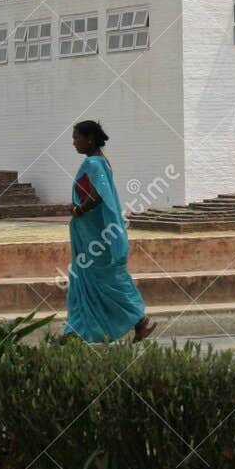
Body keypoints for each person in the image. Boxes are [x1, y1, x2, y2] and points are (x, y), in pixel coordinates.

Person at [65, 120, 155, 343]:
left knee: (106, 279)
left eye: (77, 137)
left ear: (90, 139)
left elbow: (98, 195)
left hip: (96, 234)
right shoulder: (99, 161)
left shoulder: (94, 163)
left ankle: (81, 330)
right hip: (92, 232)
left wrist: (79, 209)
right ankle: (78, 330)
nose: (73, 142)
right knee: (99, 279)